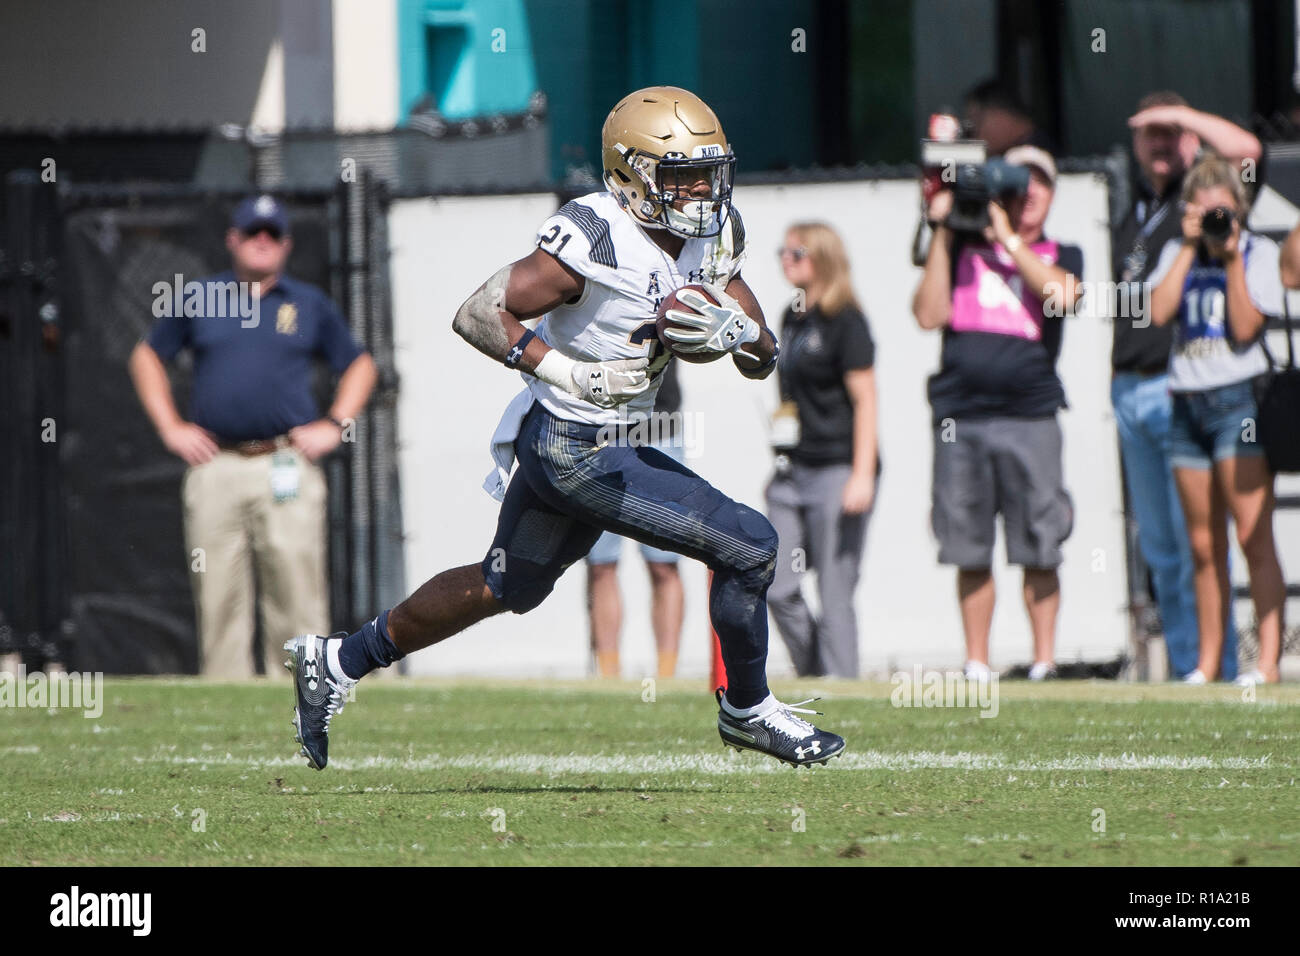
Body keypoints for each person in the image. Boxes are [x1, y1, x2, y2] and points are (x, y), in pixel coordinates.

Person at [282, 86, 847, 769]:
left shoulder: (715, 232)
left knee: (505, 585)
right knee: (751, 546)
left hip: (607, 439)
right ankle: (748, 712)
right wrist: (572, 373)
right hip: (573, 445)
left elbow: (761, 358)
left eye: (709, 173)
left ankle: (337, 662)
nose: (702, 190)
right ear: (632, 175)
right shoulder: (598, 236)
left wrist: (744, 335)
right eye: (683, 176)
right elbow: (478, 313)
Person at [128, 195, 377, 678]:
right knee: (217, 594)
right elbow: (146, 356)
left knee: (297, 591)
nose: (262, 242)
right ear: (232, 240)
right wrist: (170, 427)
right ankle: (227, 700)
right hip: (215, 465)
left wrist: (335, 423)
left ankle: (305, 695)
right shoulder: (201, 297)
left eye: (273, 234)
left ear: (286, 244)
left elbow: (360, 365)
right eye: (252, 233)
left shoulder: (308, 303)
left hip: (285, 462)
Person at [912, 146, 1083, 681]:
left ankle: (1044, 662)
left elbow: (1063, 296)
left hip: (1031, 416)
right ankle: (977, 663)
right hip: (961, 417)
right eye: (1017, 183)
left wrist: (1008, 238)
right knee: (968, 546)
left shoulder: (1061, 252)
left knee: (1040, 543)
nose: (1027, 193)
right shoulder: (962, 246)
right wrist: (944, 229)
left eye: (1039, 184)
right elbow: (928, 314)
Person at [1111, 92, 1260, 681]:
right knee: (1163, 551)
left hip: (1185, 391)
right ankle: (1185, 672)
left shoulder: (1198, 196)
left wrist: (1183, 118)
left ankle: (1220, 664)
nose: (1160, 143)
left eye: (1169, 133)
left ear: (1192, 139)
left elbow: (1247, 151)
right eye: (1149, 133)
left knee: (1209, 541)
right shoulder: (1134, 206)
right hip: (1131, 390)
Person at [1148, 154, 1286, 685]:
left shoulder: (1257, 252)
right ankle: (1208, 665)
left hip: (1239, 402)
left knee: (1253, 534)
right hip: (1186, 402)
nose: (1213, 220)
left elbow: (1247, 328)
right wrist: (1189, 246)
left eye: (1221, 211)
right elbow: (1157, 313)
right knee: (1203, 546)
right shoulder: (1176, 252)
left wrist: (1229, 258)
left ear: (1240, 209)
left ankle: (1267, 663)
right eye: (1203, 210)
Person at [765, 223, 878, 678]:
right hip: (793, 469)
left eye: (796, 252)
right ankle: (817, 677)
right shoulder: (791, 317)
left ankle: (844, 687)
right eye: (783, 250)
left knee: (834, 592)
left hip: (837, 468)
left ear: (822, 258)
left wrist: (862, 473)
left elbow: (866, 399)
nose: (785, 259)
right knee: (776, 585)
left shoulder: (845, 320)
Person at [585, 361, 686, 679]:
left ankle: (667, 677)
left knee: (663, 564)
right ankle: (609, 677)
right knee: (601, 564)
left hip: (659, 430)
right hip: (599, 433)